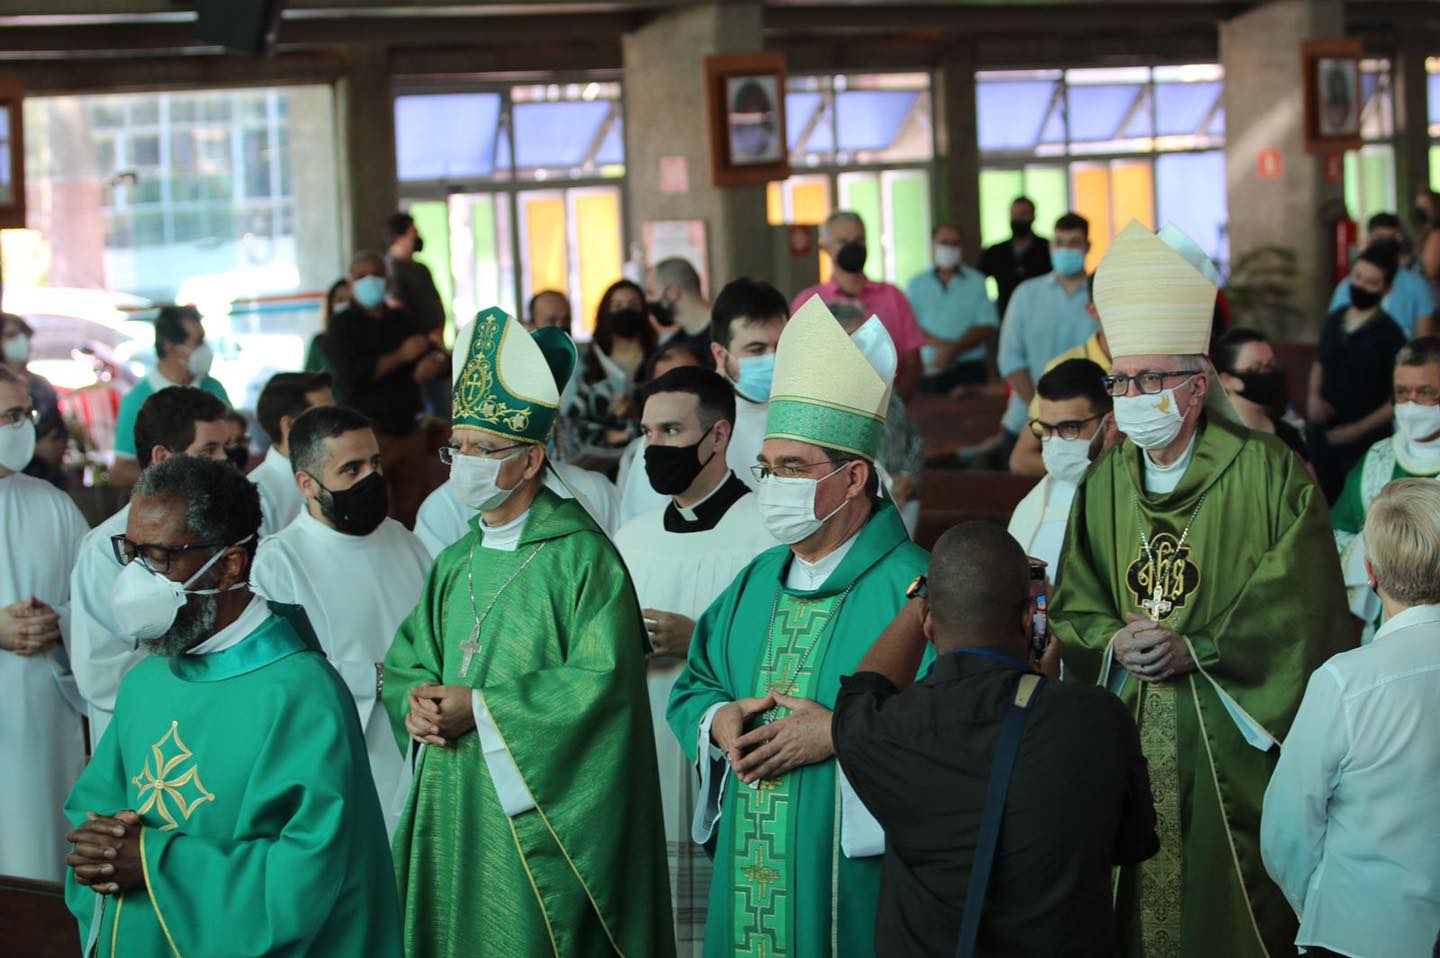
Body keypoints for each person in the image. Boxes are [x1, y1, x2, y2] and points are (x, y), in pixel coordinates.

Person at [1051, 221, 1353, 957]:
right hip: (1128, 741)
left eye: (1148, 381)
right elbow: (1073, 607)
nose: (1130, 395)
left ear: (1195, 386)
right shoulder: (1103, 484)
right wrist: (1113, 641)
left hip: (1231, 752)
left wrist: (1202, 649)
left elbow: (1306, 608)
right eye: (1120, 380)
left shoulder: (1268, 472)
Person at [384, 307, 673, 955]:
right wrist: (418, 701)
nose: (464, 463)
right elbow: (412, 656)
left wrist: (482, 709)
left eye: (484, 450)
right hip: (454, 801)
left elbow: (604, 688)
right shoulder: (456, 561)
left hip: (537, 819)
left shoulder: (583, 559)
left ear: (531, 458)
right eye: (457, 447)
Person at [668, 296, 929, 956]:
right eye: (768, 467)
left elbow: (960, 725)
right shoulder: (757, 581)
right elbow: (695, 684)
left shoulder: (921, 590)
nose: (772, 486)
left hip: (859, 883)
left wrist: (844, 732)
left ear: (854, 479)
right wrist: (718, 721)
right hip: (748, 867)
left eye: (791, 469)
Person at [63, 454, 401, 954]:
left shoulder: (301, 693)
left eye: (157, 557)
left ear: (228, 566)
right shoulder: (148, 678)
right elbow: (97, 801)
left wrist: (155, 865)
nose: (134, 576)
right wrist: (98, 847)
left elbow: (314, 871)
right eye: (130, 553)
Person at [833, 522, 1158, 956]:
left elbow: (863, 689)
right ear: (1030, 618)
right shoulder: (1097, 717)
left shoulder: (882, 731)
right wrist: (1043, 690)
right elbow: (1132, 842)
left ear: (928, 622)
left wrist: (923, 600)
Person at [612, 367, 777, 954]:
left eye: (671, 430)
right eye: (647, 432)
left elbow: (790, 648)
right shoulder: (629, 540)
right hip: (645, 751)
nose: (654, 447)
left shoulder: (767, 534)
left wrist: (698, 641)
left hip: (733, 756)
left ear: (717, 436)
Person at [1263, 478, 1440, 958]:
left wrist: (1322, 905)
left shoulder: (1346, 680)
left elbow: (1286, 831)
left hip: (1357, 932)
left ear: (1370, 571)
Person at [251, 404, 430, 836]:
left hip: (421, 746)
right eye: (351, 470)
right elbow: (282, 675)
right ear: (307, 484)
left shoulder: (406, 543)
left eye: (374, 464)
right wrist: (384, 679)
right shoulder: (279, 562)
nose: (370, 479)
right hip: (341, 760)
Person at [70, 386, 231, 744]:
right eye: (209, 450)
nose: (224, 462)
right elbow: (100, 672)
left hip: (221, 723)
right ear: (162, 457)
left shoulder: (227, 533)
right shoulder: (105, 549)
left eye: (224, 448)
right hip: (145, 733)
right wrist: (209, 668)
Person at [0, 366, 89, 882]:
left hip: (43, 722)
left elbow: (95, 607)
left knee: (41, 866)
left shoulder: (53, 505)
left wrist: (61, 623)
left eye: (25, 415)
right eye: (10, 416)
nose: (24, 428)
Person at [324, 249, 449, 528]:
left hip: (410, 430)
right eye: (362, 276)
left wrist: (434, 363)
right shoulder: (342, 325)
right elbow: (352, 374)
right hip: (368, 435)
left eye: (377, 275)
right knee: (370, 509)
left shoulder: (402, 320)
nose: (370, 281)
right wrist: (401, 357)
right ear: (350, 281)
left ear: (388, 279)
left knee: (416, 510)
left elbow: (436, 353)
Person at [1331, 336, 1440, 639]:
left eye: (1426, 393)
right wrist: (1376, 546)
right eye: (1402, 393)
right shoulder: (1377, 459)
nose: (1411, 405)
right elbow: (1336, 533)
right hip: (1384, 626)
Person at [1307, 241, 1408, 502]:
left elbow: (1395, 399)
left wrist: (1357, 430)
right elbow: (1320, 362)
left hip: (1365, 445)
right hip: (1323, 437)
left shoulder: (1391, 335)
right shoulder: (1335, 318)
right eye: (1358, 277)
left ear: (1386, 290)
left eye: (1371, 283)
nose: (1361, 286)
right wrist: (1313, 397)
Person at [792, 210, 927, 401]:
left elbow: (914, 361)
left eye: (859, 240)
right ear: (825, 248)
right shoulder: (809, 302)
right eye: (844, 242)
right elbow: (799, 367)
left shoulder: (893, 296)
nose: (853, 248)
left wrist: (892, 406)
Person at [996, 212, 1097, 462]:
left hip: (1085, 429)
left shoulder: (1100, 296)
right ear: (1051, 246)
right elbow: (1010, 359)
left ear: (1087, 246)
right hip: (1026, 425)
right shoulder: (1026, 294)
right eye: (1059, 242)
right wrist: (1043, 413)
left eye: (1073, 242)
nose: (1065, 249)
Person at [1007, 358, 1113, 574]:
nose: (1055, 441)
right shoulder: (1031, 507)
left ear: (1108, 424)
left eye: (1070, 428)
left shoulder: (1133, 493)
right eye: (1046, 429)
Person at [111, 304, 231, 487]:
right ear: (171, 348)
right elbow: (121, 470)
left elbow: (233, 443)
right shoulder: (137, 401)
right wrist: (175, 482)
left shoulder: (214, 389)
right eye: (198, 341)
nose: (205, 349)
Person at [1008, 274, 1113, 477]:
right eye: (1113, 301)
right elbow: (1021, 459)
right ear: (1093, 310)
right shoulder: (1063, 368)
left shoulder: (1156, 368)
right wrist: (1074, 468)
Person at [907, 222, 999, 392]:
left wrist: (955, 349)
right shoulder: (916, 284)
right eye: (944, 243)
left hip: (969, 370)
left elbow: (987, 324)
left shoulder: (977, 281)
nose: (949, 248)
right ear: (933, 245)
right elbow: (909, 325)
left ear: (962, 247)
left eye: (955, 243)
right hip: (928, 369)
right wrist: (942, 347)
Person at [571, 279, 658, 453]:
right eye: (616, 306)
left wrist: (635, 414)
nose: (625, 311)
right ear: (605, 312)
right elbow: (570, 423)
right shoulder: (589, 364)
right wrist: (615, 435)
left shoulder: (658, 360)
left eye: (633, 305)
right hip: (599, 464)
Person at [250, 371, 335, 536]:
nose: (338, 425)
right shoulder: (257, 495)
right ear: (289, 425)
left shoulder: (344, 472)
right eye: (325, 416)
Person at [1212, 327, 1311, 464]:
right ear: (1227, 380)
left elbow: (1311, 485)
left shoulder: (1289, 435)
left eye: (1270, 366)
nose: (1266, 374)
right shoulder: (1213, 439)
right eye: (1255, 368)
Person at [1329, 213, 1436, 338]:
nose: (1385, 243)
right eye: (1380, 237)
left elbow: (1424, 338)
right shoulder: (1351, 285)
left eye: (1391, 238)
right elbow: (1335, 330)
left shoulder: (1417, 285)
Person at [2, 311, 65, 485]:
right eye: (11, 335)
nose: (21, 341)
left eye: (24, 335)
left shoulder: (42, 386)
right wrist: (35, 449)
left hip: (49, 481)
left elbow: (59, 430)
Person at [980, 196, 1053, 320]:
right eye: (1014, 214)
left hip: (1043, 314)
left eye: (1023, 214)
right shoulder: (995, 252)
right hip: (1006, 315)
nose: (1017, 219)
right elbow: (977, 281)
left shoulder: (1048, 249)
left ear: (1033, 216)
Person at [385, 211, 446, 337]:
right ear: (399, 238)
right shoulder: (390, 269)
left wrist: (438, 330)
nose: (417, 238)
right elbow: (397, 307)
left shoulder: (422, 269)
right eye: (413, 234)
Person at [649, 257, 712, 352]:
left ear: (673, 292)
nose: (648, 300)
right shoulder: (672, 349)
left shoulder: (731, 331)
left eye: (651, 293)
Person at [304, 277, 349, 384]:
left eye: (349, 300)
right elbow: (308, 381)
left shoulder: (371, 338)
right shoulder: (319, 343)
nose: (345, 305)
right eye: (340, 300)